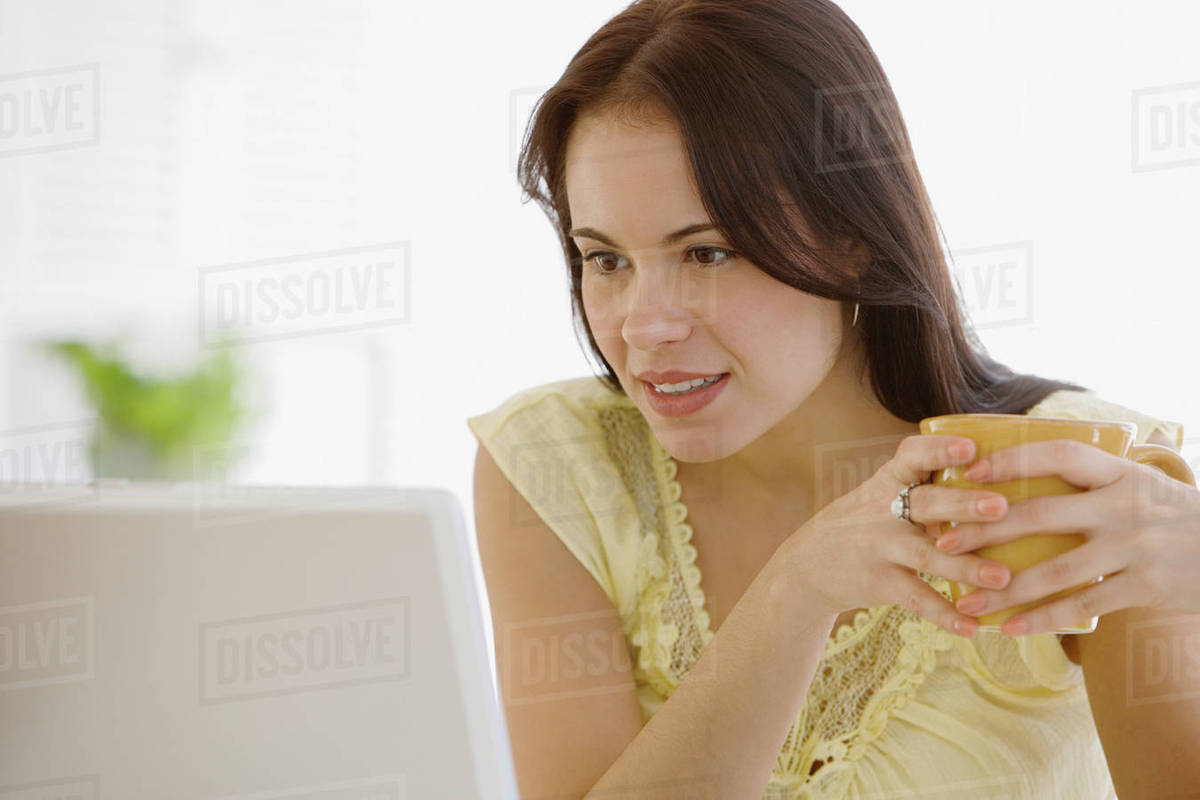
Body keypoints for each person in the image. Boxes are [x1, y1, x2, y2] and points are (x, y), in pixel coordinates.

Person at [467, 1, 1199, 797]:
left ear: (853, 239)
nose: (645, 327)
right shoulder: (558, 463)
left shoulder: (1070, 473)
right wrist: (796, 591)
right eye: (606, 260)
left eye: (707, 252)